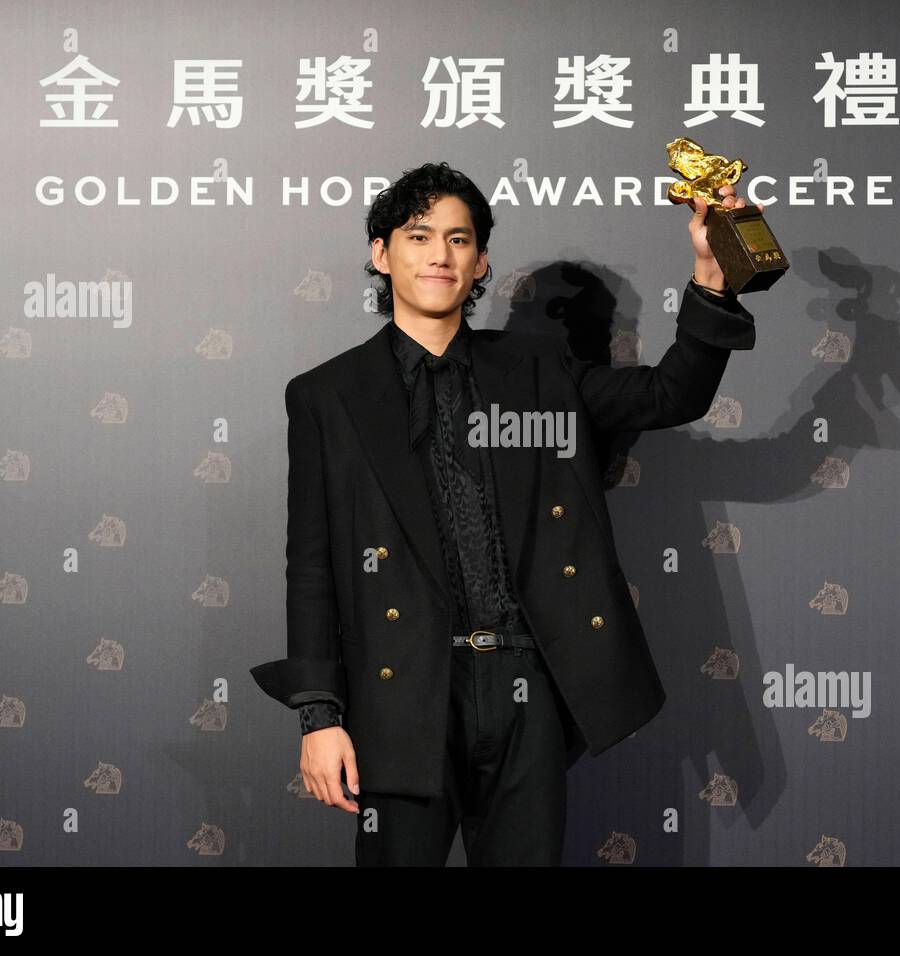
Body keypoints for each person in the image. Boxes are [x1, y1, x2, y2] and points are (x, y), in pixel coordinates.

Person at [251, 161, 761, 865]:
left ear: (481, 259)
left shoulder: (538, 369)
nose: (440, 254)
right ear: (381, 253)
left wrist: (711, 274)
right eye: (419, 235)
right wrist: (318, 715)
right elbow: (310, 566)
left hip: (530, 685)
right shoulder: (325, 395)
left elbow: (672, 396)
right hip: (401, 696)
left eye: (459, 240)